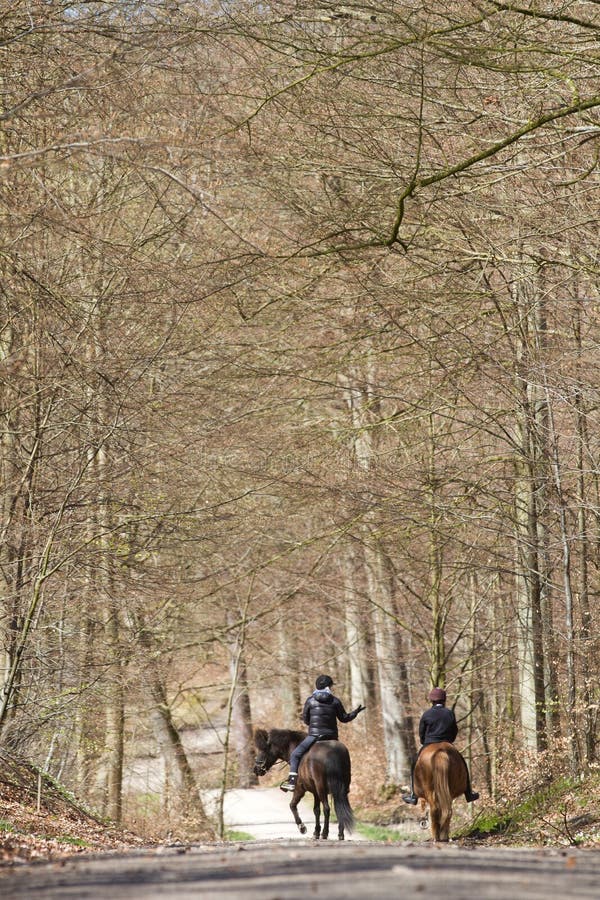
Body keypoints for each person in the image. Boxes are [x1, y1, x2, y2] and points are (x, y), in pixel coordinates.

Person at [280, 674, 365, 792]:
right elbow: (344, 718)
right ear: (329, 686)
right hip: (332, 737)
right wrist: (355, 713)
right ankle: (345, 785)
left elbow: (306, 720)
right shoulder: (335, 701)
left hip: (314, 737)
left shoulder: (310, 700)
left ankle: (292, 782)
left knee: (295, 755)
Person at [402, 686, 479, 805]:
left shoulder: (427, 714)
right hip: (447, 743)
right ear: (444, 700)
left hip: (429, 742)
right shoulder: (449, 713)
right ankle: (469, 793)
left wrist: (424, 741)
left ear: (432, 700)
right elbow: (454, 731)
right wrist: (450, 741)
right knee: (463, 762)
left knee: (414, 763)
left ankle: (413, 795)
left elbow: (421, 732)